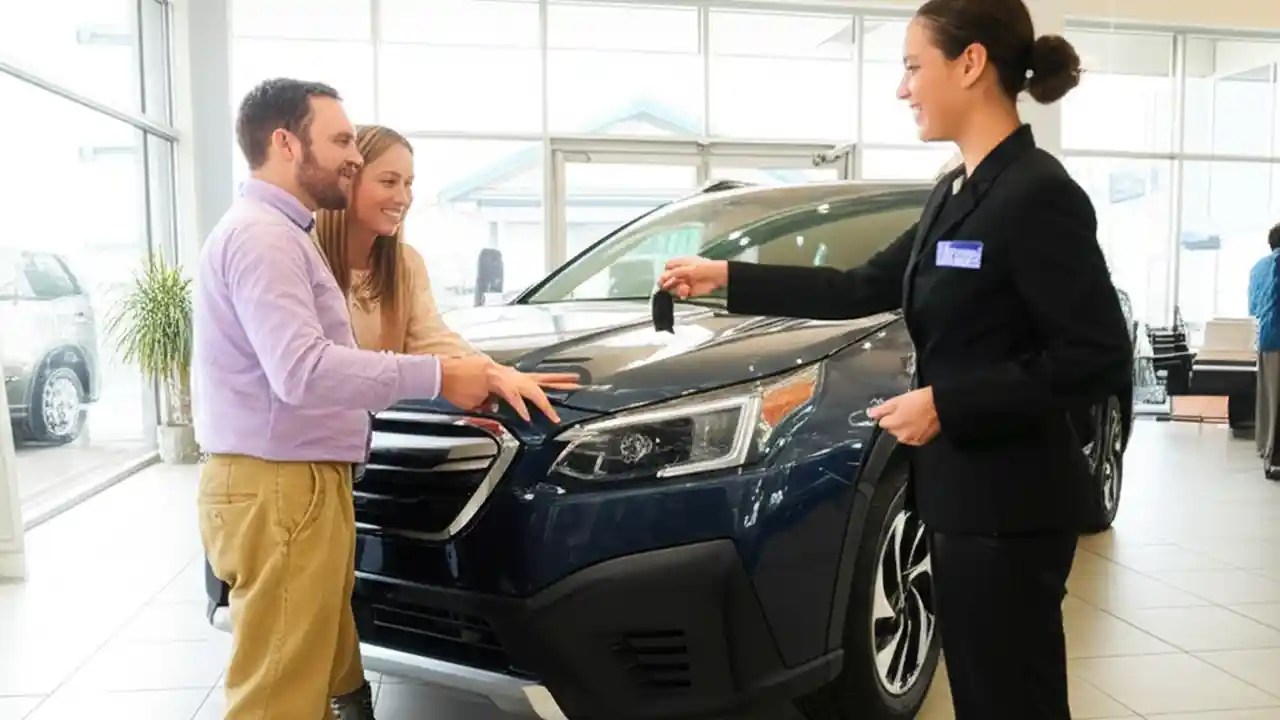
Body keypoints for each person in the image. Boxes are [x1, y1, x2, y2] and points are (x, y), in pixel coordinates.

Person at [658, 1, 1132, 718]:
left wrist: (946, 403)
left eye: (914, 67)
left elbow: (1094, 355)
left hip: (1014, 505)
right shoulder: (958, 189)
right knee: (982, 690)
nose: (902, 87)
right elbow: (861, 285)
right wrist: (725, 278)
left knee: (1013, 696)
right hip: (961, 496)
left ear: (970, 64)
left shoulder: (1037, 194)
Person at [192, 78, 562, 720]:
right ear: (285, 143)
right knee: (277, 695)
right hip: (280, 482)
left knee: (316, 649)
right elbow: (302, 372)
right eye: (340, 141)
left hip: (304, 479)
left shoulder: (283, 233)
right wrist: (438, 379)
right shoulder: (266, 238)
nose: (353, 157)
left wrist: (489, 372)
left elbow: (425, 338)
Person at [311, 124, 575, 398]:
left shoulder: (405, 265)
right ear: (346, 183)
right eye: (389, 182)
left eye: (408, 183)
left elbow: (432, 339)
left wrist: (496, 373)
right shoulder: (301, 256)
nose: (403, 198)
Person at [1248, 223, 1280, 481]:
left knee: (1267, 397)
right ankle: (1274, 452)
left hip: (1266, 337)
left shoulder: (1258, 267)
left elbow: (1254, 306)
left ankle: (1263, 445)